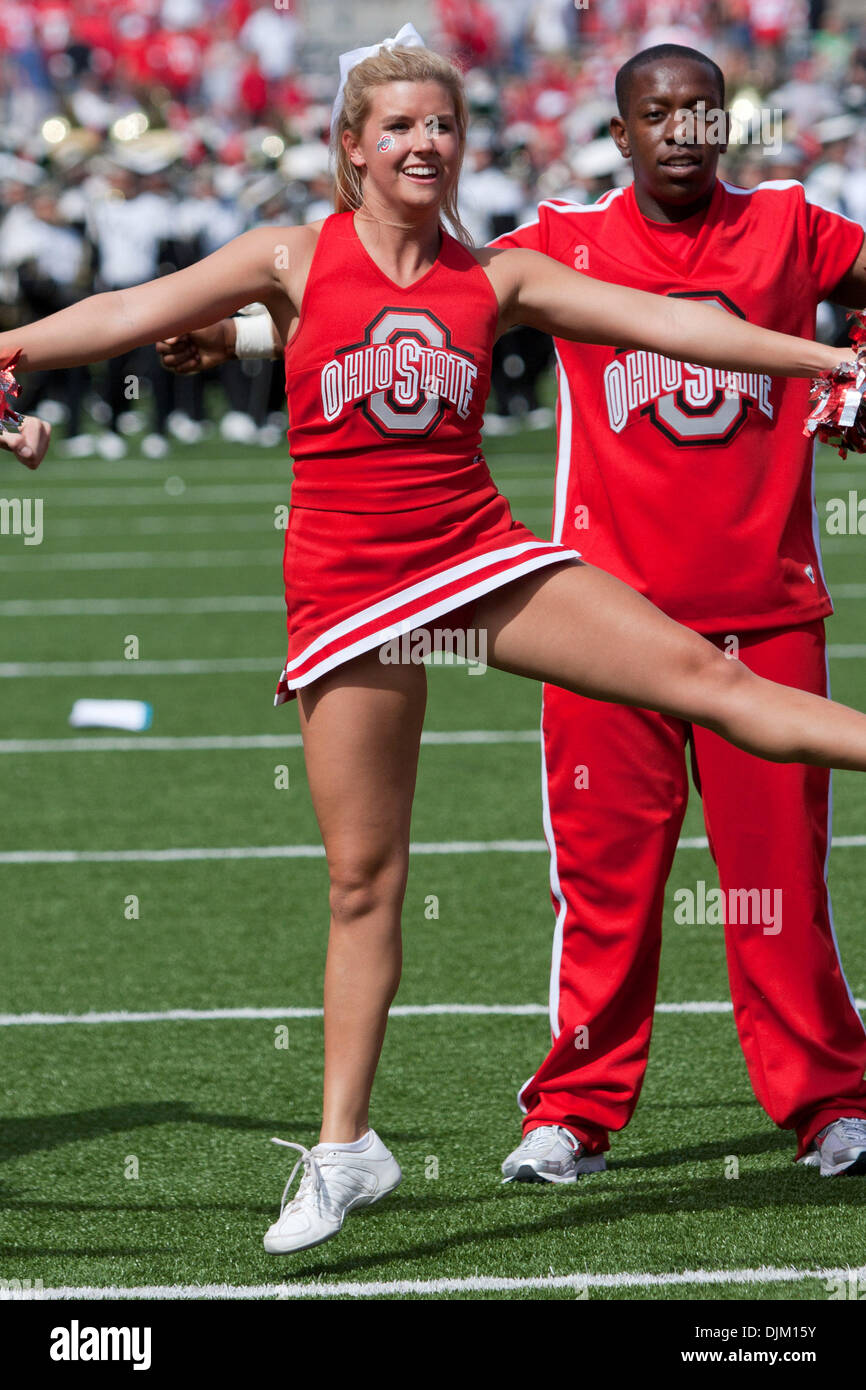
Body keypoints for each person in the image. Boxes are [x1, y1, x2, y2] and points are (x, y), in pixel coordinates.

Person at [4, 37, 866, 1260]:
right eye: (398, 126)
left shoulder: (499, 275)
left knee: (713, 682)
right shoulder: (289, 256)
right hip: (347, 588)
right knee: (363, 880)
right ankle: (348, 1148)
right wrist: (15, 350)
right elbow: (129, 311)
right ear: (354, 145)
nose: (423, 145)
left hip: (472, 556)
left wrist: (831, 359)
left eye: (442, 126)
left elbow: (685, 331)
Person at [488, 44, 866, 1185]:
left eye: (702, 111)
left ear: (726, 124)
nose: (683, 131)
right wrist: (242, 331)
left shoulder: (794, 224)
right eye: (658, 113)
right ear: (619, 134)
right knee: (604, 880)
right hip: (604, 622)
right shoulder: (560, 239)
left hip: (764, 611)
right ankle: (574, 1108)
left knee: (780, 883)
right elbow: (397, 297)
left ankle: (827, 1103)